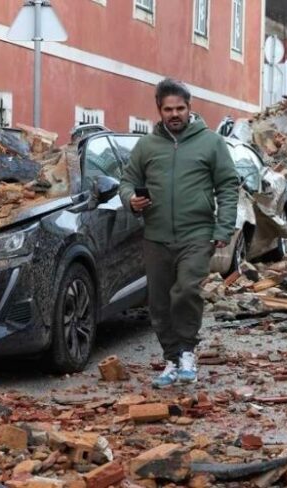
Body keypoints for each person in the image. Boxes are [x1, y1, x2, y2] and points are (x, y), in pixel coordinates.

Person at [119, 78, 238, 388]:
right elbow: (127, 181)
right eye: (168, 109)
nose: (175, 114)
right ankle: (171, 359)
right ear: (159, 110)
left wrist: (223, 226)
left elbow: (227, 185)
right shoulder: (146, 146)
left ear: (190, 108)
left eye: (180, 108)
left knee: (186, 290)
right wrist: (131, 199)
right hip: (156, 235)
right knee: (158, 303)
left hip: (197, 233)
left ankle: (187, 351)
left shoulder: (211, 143)